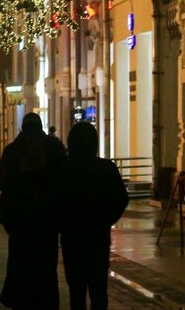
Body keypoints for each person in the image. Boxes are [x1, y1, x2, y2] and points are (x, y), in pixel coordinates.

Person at [0, 112, 67, 310]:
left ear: (22, 127)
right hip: (46, 225)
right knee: (46, 271)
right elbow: (64, 182)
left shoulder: (13, 150)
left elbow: (2, 183)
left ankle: (21, 302)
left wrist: (10, 220)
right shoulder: (54, 148)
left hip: (20, 225)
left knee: (20, 270)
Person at [58, 122, 129, 310]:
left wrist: (63, 223)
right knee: (98, 290)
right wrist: (106, 220)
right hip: (98, 237)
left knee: (76, 291)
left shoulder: (63, 169)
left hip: (71, 238)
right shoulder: (106, 169)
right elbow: (121, 199)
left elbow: (54, 201)